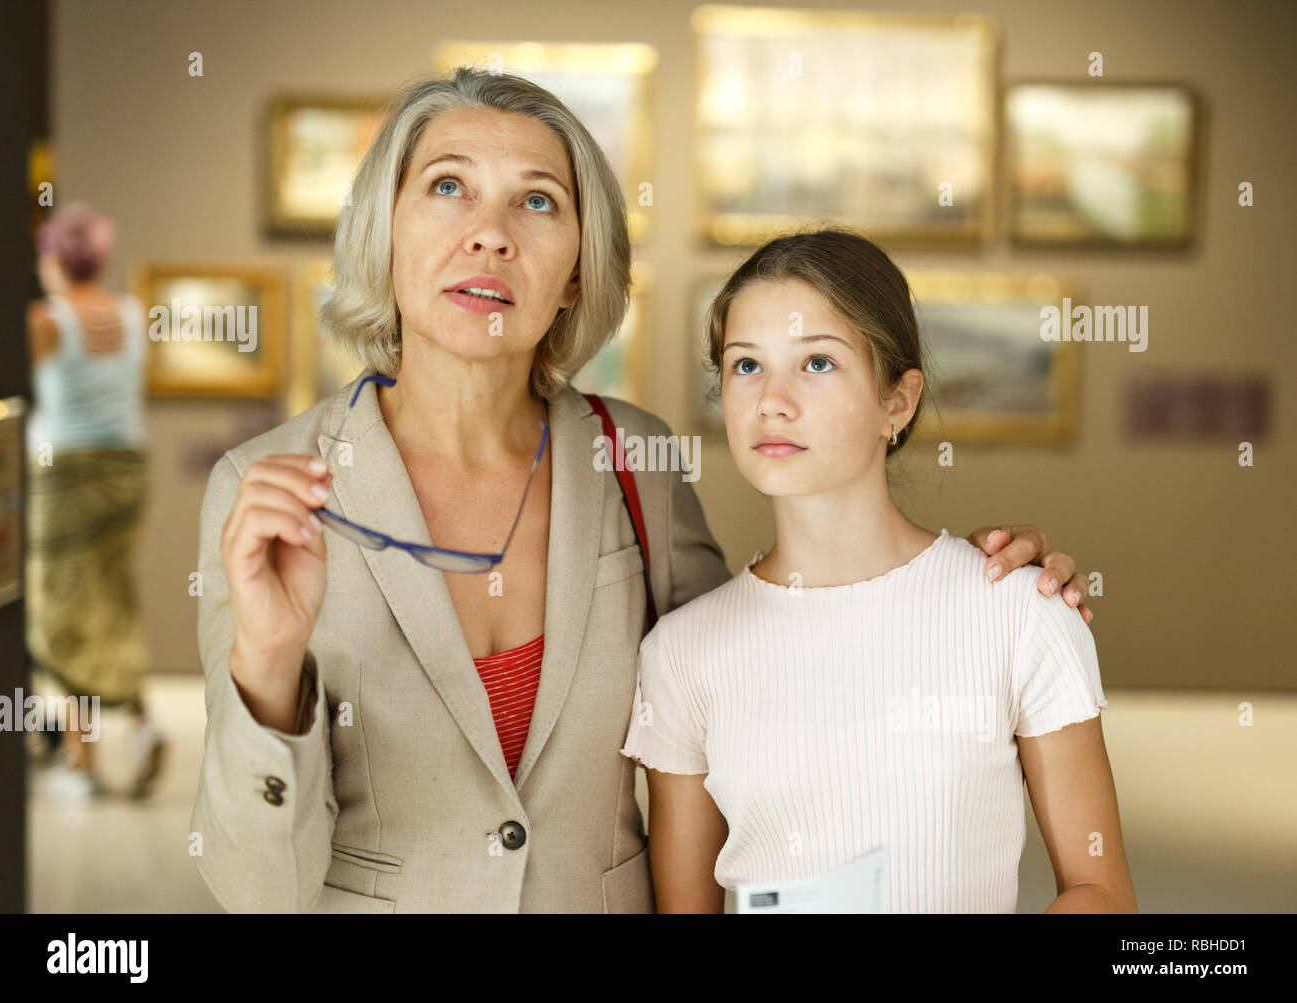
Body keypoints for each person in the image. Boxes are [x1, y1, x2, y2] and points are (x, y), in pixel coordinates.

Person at [190, 68, 1097, 913]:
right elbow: (256, 888)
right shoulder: (272, 492)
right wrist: (267, 674)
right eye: (448, 185)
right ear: (383, 232)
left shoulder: (637, 460)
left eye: (537, 201)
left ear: (577, 269)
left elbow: (770, 677)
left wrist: (975, 598)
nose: (491, 232)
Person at [621, 229, 1136, 913]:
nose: (772, 398)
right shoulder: (680, 655)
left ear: (898, 401)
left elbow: (1099, 890)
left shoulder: (1020, 609)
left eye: (817, 363)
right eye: (747, 365)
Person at [26, 201, 166, 799]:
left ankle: (82, 764)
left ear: (55, 259)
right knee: (111, 599)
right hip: (128, 471)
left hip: (64, 474)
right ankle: (139, 723)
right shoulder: (133, 315)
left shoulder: (47, 319)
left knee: (59, 611)